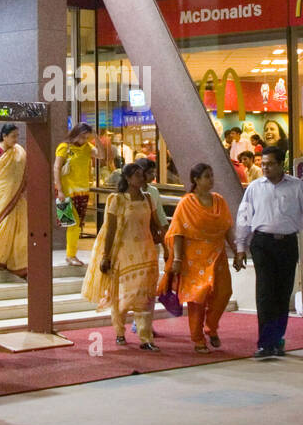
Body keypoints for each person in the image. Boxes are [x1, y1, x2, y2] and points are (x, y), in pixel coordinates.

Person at [234, 146, 303, 358]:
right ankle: (264, 343)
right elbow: (244, 218)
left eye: (270, 164)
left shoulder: (297, 187)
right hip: (262, 244)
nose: (265, 168)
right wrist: (240, 247)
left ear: (281, 165)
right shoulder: (254, 188)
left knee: (282, 293)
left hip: (287, 244)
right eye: (263, 164)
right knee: (265, 292)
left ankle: (277, 340)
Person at [81, 163, 162, 351]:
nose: (142, 178)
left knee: (146, 296)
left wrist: (166, 248)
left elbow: (155, 224)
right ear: (127, 178)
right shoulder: (116, 200)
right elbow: (110, 230)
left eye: (143, 174)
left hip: (146, 252)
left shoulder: (148, 198)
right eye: (138, 175)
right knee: (122, 295)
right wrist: (106, 255)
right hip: (124, 253)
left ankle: (145, 338)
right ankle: (119, 332)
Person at [165, 163, 237, 354]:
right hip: (193, 260)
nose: (211, 180)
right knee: (197, 300)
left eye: (212, 176)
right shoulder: (186, 203)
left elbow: (228, 228)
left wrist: (237, 251)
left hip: (217, 255)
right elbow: (178, 232)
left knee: (224, 293)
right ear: (196, 180)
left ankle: (211, 326)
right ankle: (198, 339)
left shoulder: (219, 201)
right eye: (207, 176)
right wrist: (178, 260)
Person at [0, 124, 28, 278]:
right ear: (4, 136)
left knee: (19, 227)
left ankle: (16, 263)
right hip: (0, 194)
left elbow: (24, 172)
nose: (16, 139)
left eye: (17, 136)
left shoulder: (19, 151)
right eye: (13, 136)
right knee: (4, 225)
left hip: (16, 195)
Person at [54, 123, 96, 268]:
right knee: (72, 224)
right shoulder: (64, 147)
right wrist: (59, 189)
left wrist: (96, 137)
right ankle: (70, 255)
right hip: (66, 192)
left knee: (77, 226)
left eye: (87, 137)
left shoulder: (87, 148)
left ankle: (71, 255)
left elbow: (102, 155)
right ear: (76, 133)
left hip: (83, 191)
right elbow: (57, 167)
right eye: (82, 136)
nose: (84, 139)